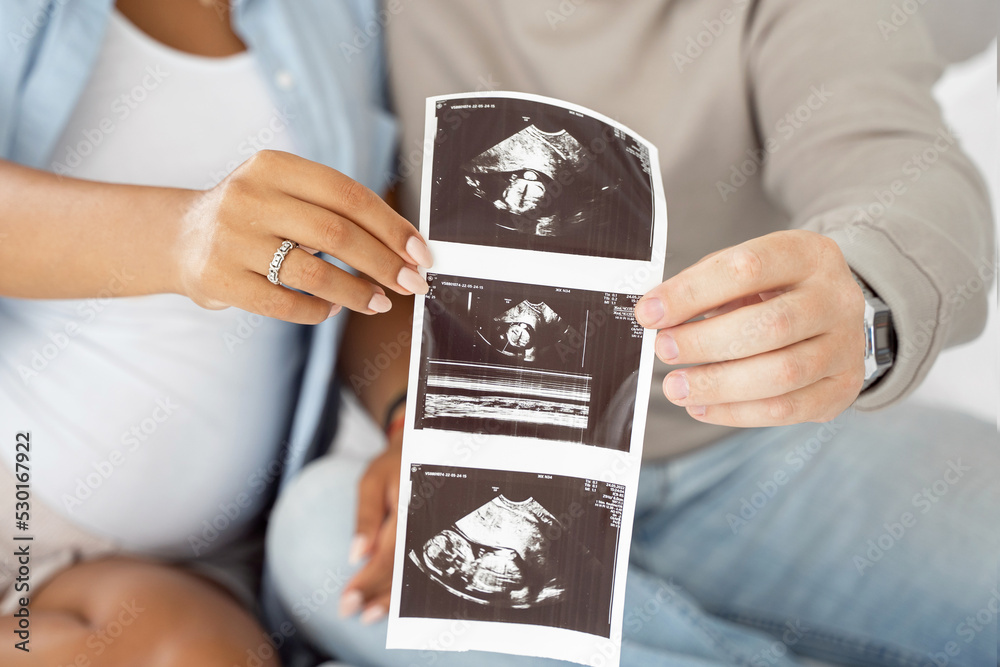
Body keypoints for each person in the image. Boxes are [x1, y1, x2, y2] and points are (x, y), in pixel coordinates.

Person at [266, 1, 998, 666]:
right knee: (322, 538)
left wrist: (862, 299)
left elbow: (904, 168)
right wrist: (411, 419)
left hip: (768, 447)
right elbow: (368, 233)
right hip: (504, 470)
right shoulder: (375, 18)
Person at [0, 0, 424, 664]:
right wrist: (179, 235)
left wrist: (407, 422)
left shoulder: (347, 16)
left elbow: (370, 264)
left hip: (201, 579)